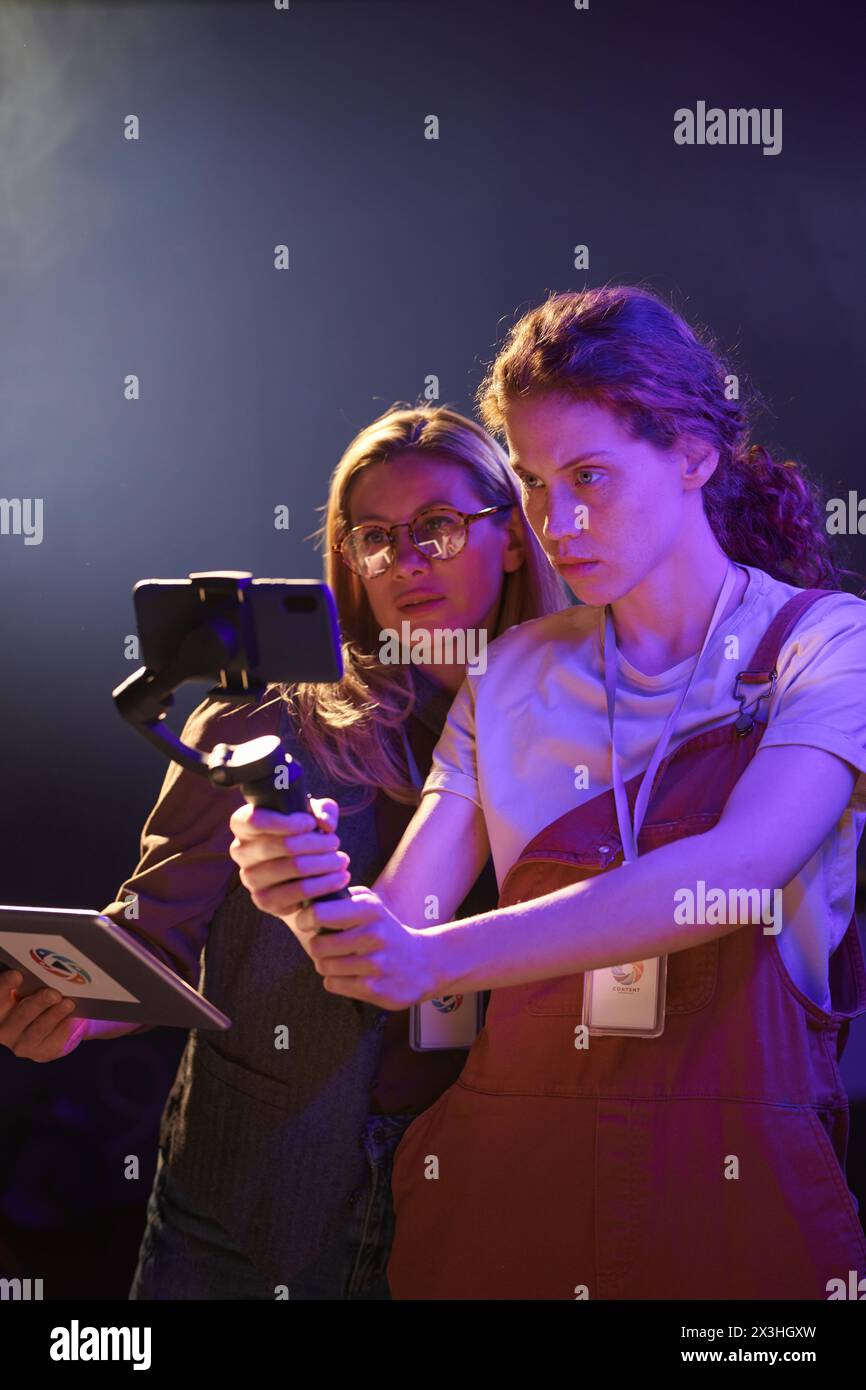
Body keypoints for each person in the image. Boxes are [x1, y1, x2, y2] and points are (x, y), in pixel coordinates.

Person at [233, 285, 866, 1300]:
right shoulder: (512, 668)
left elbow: (735, 868)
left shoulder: (824, 643)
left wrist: (430, 953)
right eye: (530, 481)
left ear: (692, 456)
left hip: (734, 1201)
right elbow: (393, 939)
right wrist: (304, 892)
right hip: (502, 1192)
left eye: (589, 476)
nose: (555, 522)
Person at [0, 402, 566, 1300]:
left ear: (510, 537)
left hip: (481, 1183)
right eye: (373, 537)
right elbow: (153, 937)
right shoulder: (265, 719)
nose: (404, 561)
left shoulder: (588, 718)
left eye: (438, 528)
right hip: (254, 1189)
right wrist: (75, 1009)